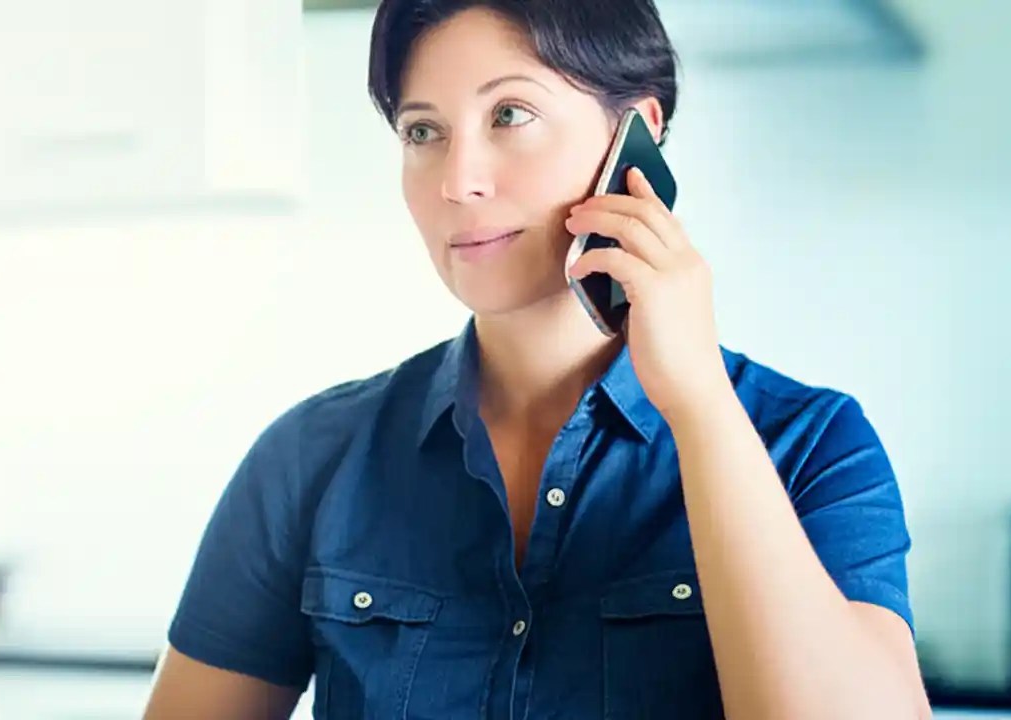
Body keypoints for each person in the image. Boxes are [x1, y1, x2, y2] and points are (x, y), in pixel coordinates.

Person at [143, 0, 931, 717]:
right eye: (424, 131)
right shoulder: (309, 460)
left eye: (510, 114)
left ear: (639, 137)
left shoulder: (813, 448)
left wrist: (698, 403)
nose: (458, 181)